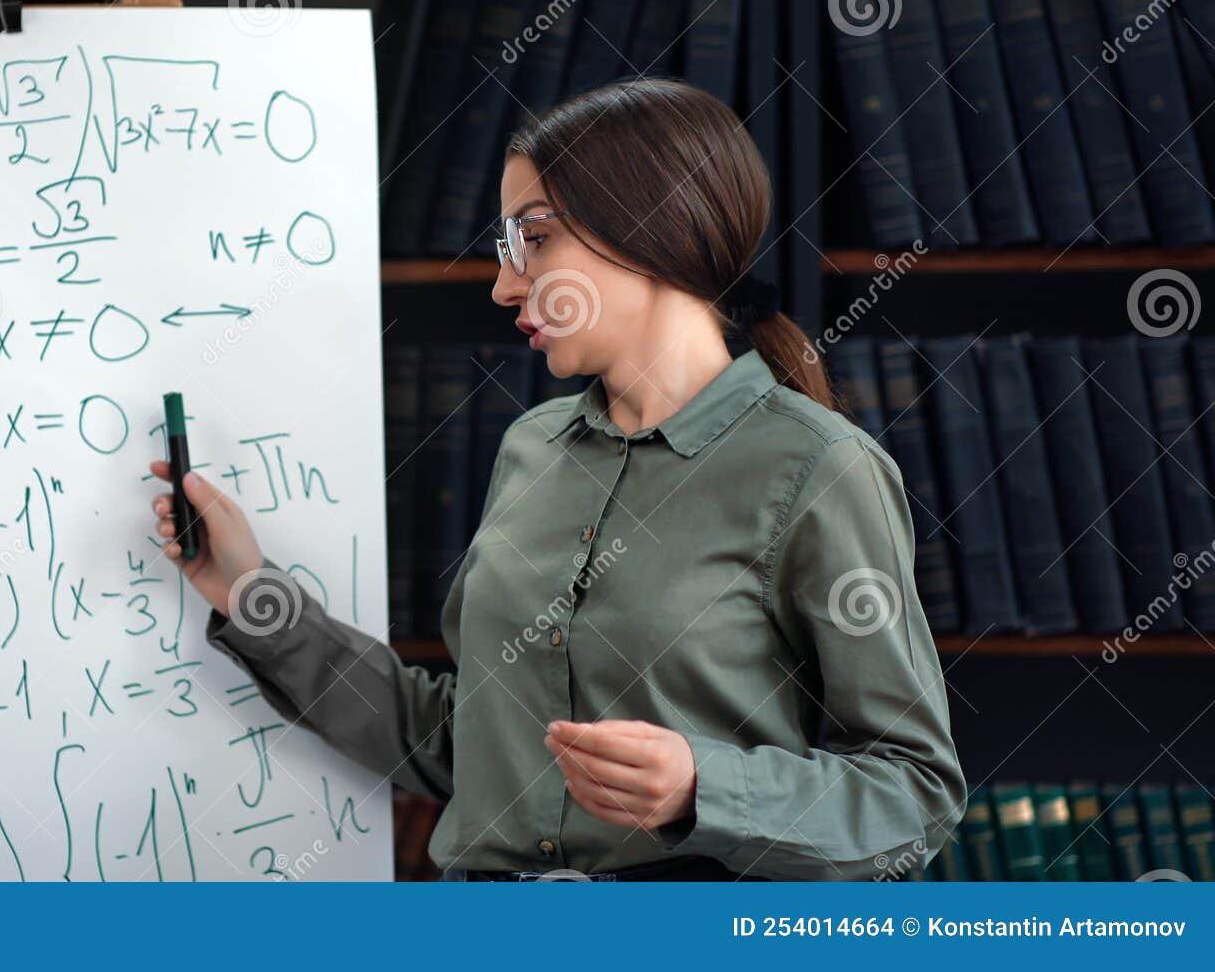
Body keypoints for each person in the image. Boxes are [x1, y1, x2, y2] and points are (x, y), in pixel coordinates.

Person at [149, 78, 965, 881]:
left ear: (654, 228)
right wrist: (254, 597)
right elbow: (467, 744)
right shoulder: (532, 448)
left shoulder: (819, 468)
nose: (506, 284)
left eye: (534, 240)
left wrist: (701, 788)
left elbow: (914, 796)